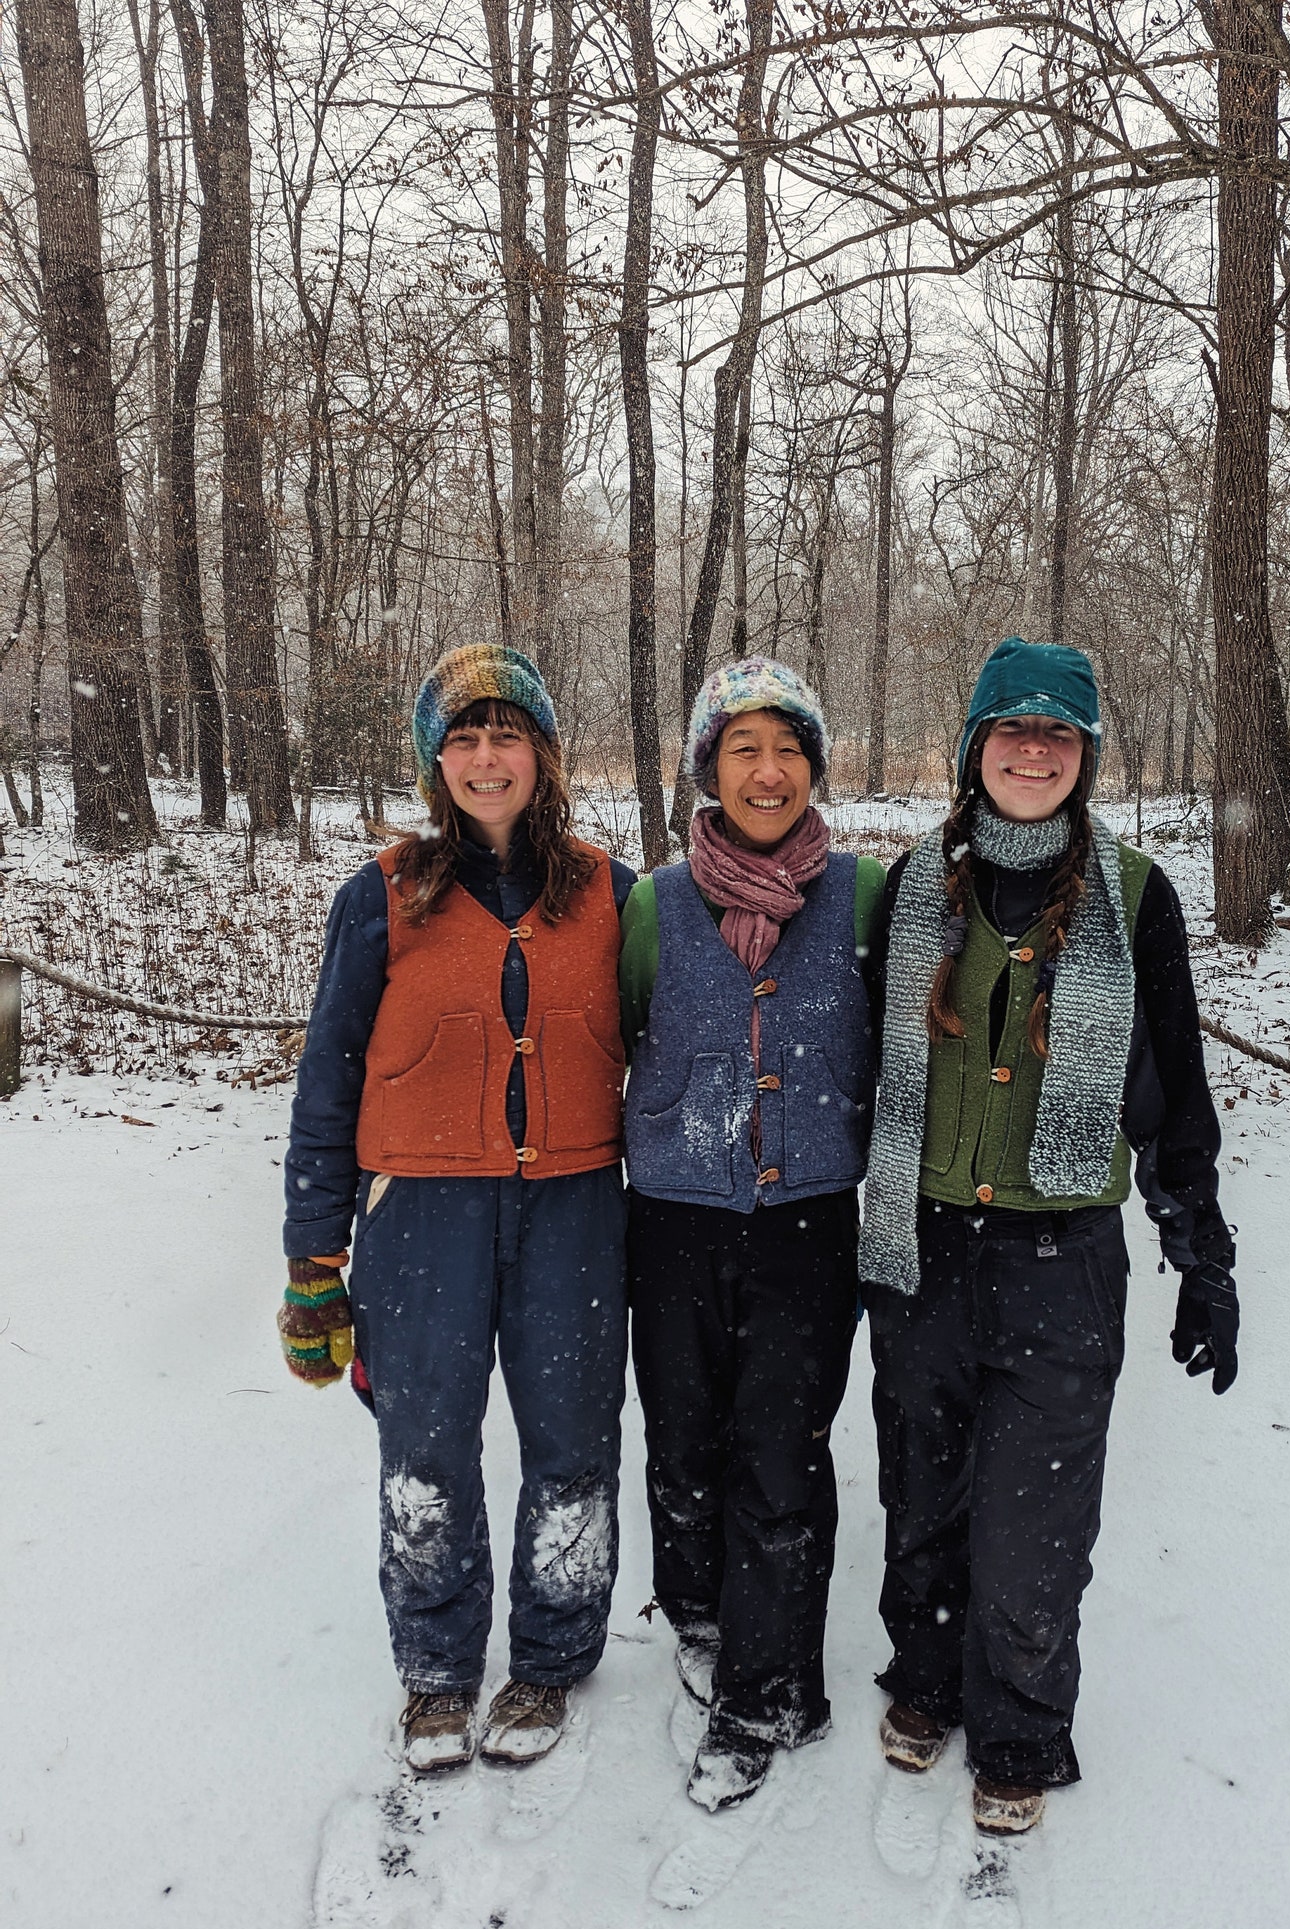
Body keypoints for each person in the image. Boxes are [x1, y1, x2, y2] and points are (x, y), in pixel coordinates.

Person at [860, 637, 1240, 1838]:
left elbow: (1175, 1090)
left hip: (1060, 1257)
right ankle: (923, 1680)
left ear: (1084, 758)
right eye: (1012, 730)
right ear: (975, 747)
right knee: (923, 1492)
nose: (1034, 750)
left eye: (1059, 735)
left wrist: (1202, 1256)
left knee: (1036, 1515)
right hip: (919, 1244)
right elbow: (857, 1075)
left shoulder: (1136, 900)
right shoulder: (912, 885)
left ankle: (1020, 1722)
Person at [278, 644, 634, 1774]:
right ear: (439, 762)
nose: (488, 756)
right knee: (424, 1445)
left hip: (573, 1208)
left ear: (543, 751)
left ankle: (553, 1652)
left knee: (572, 1440)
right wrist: (311, 1260)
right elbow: (328, 1080)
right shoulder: (379, 895)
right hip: (418, 1219)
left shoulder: (610, 892)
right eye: (465, 737)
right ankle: (436, 1665)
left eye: (507, 732)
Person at [620, 657, 886, 1811]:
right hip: (672, 1216)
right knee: (683, 1438)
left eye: (788, 749)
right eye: (743, 748)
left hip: (808, 1222)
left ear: (813, 768)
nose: (767, 770)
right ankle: (699, 1610)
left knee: (780, 1455)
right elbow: (624, 1027)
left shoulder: (867, 896)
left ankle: (768, 1689)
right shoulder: (653, 903)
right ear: (707, 769)